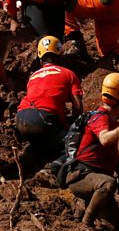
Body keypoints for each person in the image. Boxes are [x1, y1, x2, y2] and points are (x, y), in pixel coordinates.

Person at [59, 72, 119, 229]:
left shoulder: (111, 122)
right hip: (81, 176)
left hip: (97, 179)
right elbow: (105, 139)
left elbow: (112, 152)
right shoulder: (100, 117)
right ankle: (86, 223)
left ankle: (89, 210)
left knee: (115, 227)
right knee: (109, 183)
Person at [15, 36, 83, 167]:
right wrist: (74, 127)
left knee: (45, 138)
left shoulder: (33, 76)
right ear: (60, 55)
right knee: (76, 142)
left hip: (21, 118)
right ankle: (53, 168)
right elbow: (78, 107)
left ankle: (31, 155)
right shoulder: (69, 74)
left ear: (40, 59)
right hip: (43, 119)